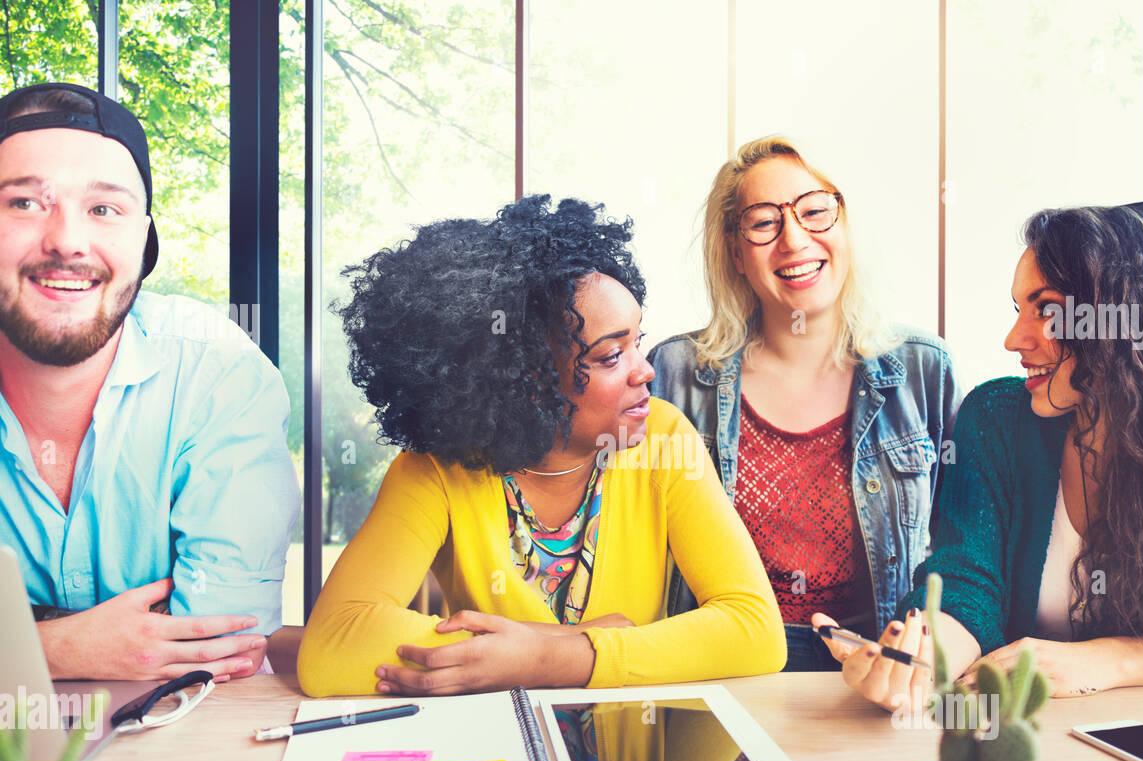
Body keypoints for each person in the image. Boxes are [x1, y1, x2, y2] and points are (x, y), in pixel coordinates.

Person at [820, 199, 1143, 710]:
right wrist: (921, 658)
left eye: (1046, 310)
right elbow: (967, 586)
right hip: (1030, 738)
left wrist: (1111, 661)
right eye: (1017, 309)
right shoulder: (996, 417)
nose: (1013, 339)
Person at [297, 196, 784, 698]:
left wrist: (550, 657)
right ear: (526, 378)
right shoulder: (435, 472)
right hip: (494, 754)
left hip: (628, 759)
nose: (646, 370)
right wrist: (563, 644)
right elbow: (333, 647)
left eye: (639, 341)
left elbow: (754, 632)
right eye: (613, 355)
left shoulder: (663, 439)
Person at [0, 82, 299, 681]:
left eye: (104, 209)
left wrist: (21, 633)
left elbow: (217, 649)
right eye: (24, 203)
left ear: (145, 239)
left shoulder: (217, 374)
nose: (66, 241)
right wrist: (57, 648)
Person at [648, 135, 961, 671]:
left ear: (843, 225)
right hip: (725, 669)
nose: (794, 239)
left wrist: (923, 654)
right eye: (765, 222)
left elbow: (960, 556)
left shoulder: (923, 369)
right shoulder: (675, 374)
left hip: (877, 673)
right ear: (735, 252)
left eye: (815, 211)